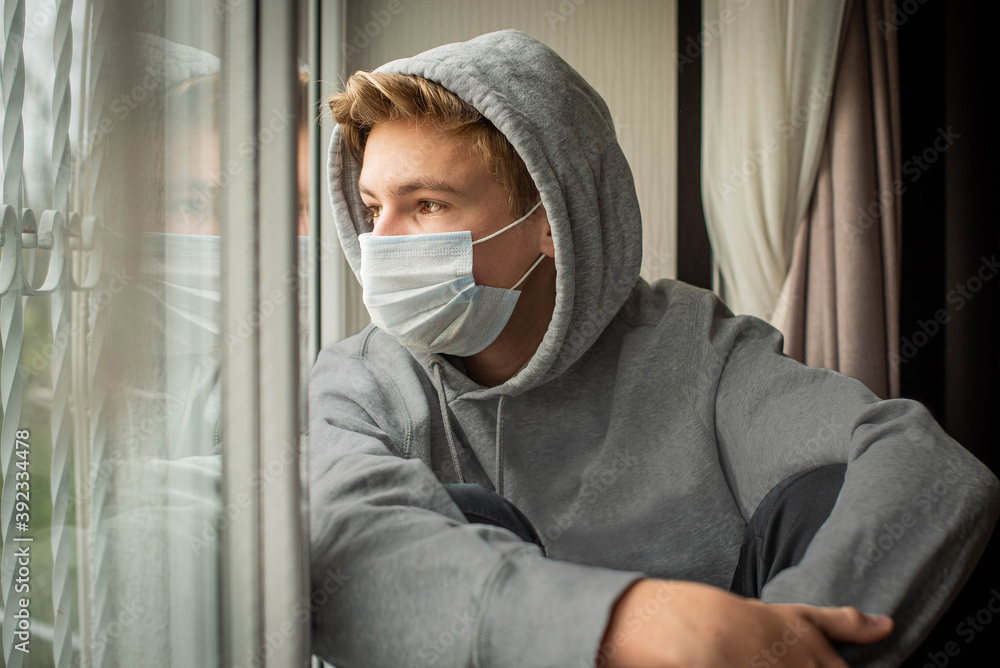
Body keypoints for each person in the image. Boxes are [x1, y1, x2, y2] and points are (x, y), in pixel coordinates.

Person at [309, 29, 999, 667]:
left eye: (427, 204)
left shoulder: (694, 345)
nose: (380, 246)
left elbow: (925, 464)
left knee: (830, 494)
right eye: (373, 210)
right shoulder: (360, 382)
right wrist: (621, 624)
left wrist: (787, 638)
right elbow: (333, 540)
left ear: (551, 221)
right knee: (462, 517)